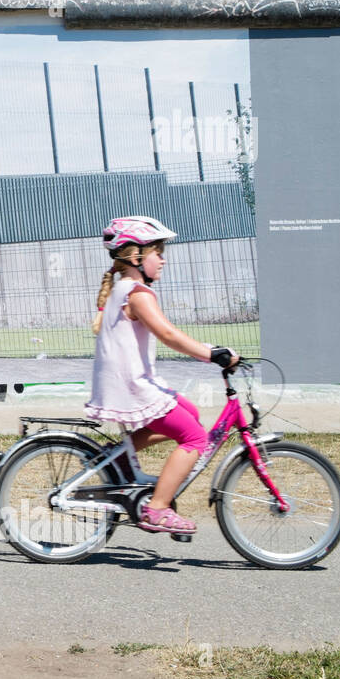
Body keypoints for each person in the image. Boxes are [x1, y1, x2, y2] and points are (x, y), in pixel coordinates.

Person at [84, 216, 237, 535]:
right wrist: (212, 355)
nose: (163, 259)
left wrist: (210, 347)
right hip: (133, 386)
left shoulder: (122, 287)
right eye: (158, 251)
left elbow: (170, 333)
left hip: (128, 382)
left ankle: (117, 456)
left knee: (190, 413)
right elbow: (168, 334)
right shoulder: (137, 294)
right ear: (136, 256)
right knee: (194, 437)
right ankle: (157, 508)